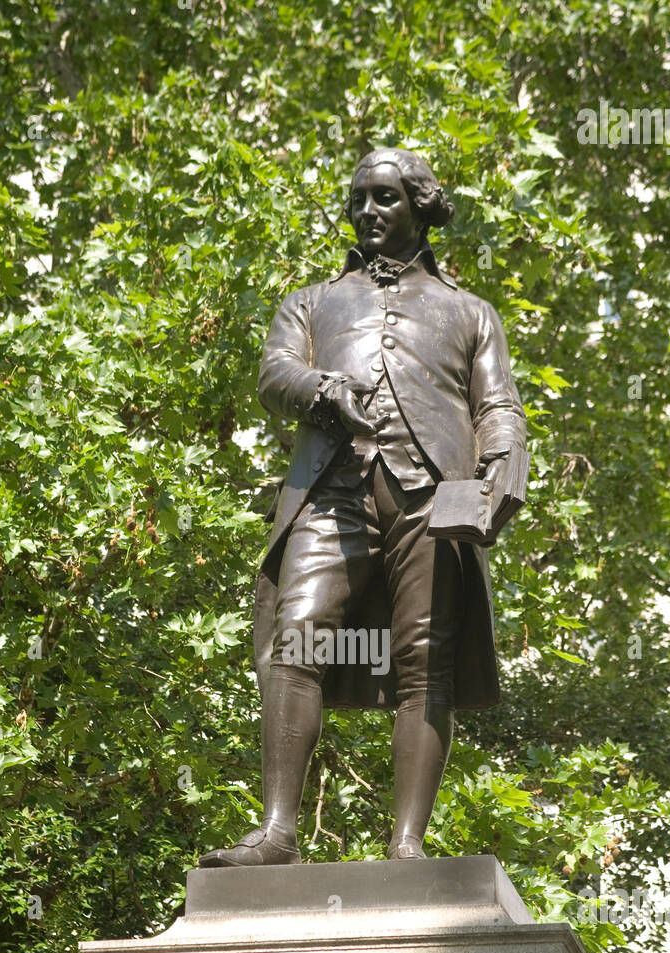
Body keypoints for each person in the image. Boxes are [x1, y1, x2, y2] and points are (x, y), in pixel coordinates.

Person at [199, 148, 526, 867]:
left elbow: (498, 406)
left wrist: (502, 474)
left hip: (433, 499)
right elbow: (275, 372)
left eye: (384, 198)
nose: (368, 212)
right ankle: (278, 832)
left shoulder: (470, 313)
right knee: (298, 636)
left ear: (419, 205)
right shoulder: (312, 302)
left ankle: (407, 845)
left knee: (424, 661)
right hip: (332, 490)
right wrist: (323, 391)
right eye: (358, 200)